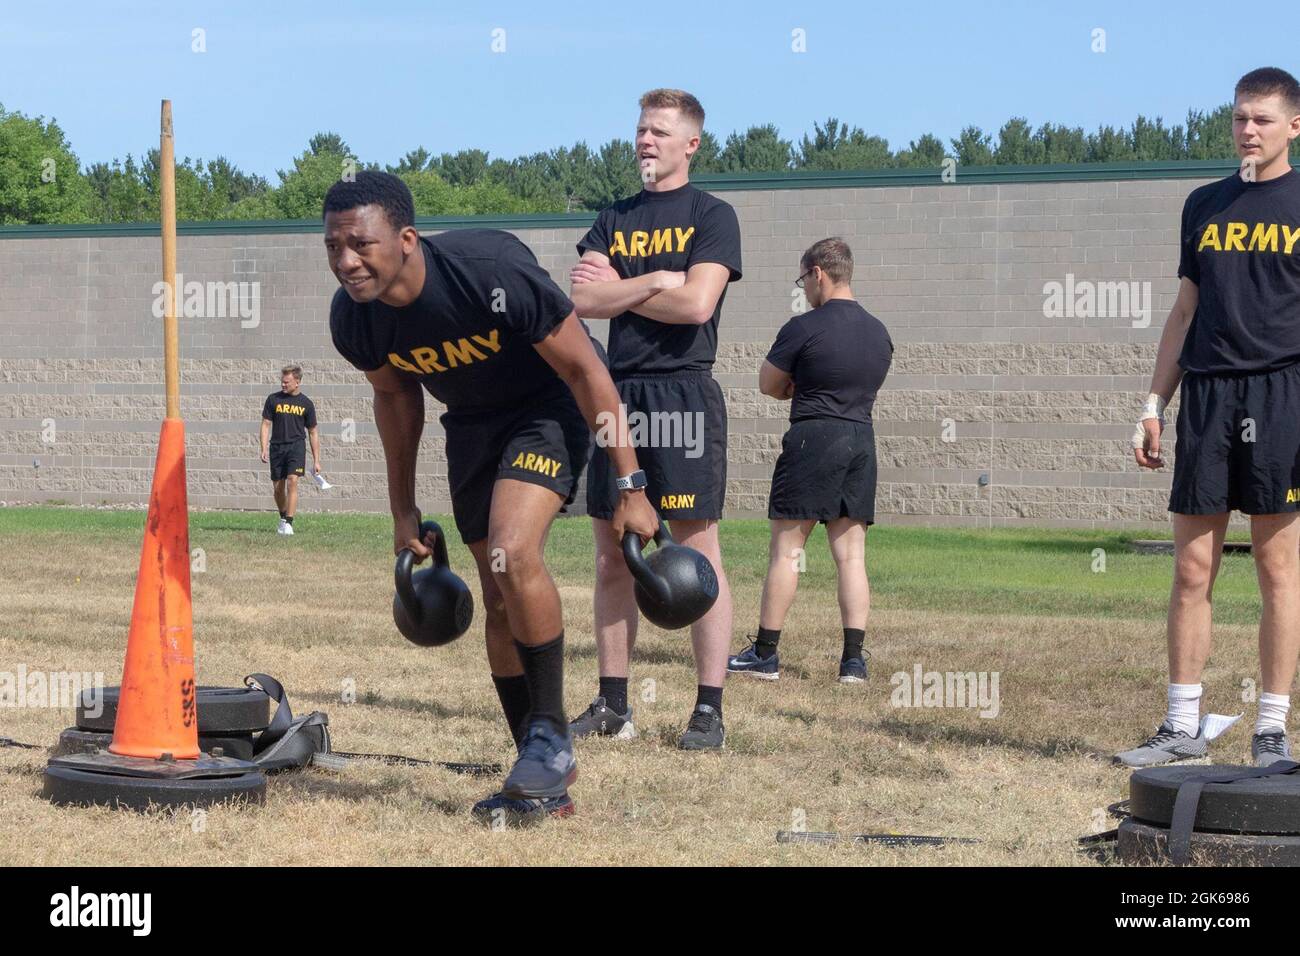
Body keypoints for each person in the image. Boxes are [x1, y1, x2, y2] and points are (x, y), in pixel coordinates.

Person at [325, 171, 657, 824]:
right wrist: (402, 511)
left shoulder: (490, 273)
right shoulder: (356, 320)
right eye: (333, 246)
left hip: (545, 408)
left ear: (407, 239)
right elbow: (396, 397)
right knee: (496, 589)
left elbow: (584, 368)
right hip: (472, 427)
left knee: (512, 548)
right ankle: (538, 775)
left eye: (360, 244)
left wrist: (631, 484)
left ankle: (550, 738)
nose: (345, 261)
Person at [1120, 67, 1300, 768]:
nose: (1247, 131)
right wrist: (1152, 404)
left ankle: (1272, 728)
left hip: (1282, 394)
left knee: (1277, 568)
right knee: (1193, 569)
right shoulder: (1204, 204)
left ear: (1293, 126)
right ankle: (1180, 725)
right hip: (1208, 397)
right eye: (1239, 119)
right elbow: (1185, 312)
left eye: (1261, 119)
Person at [567, 89, 742, 749]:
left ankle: (708, 709)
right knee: (614, 554)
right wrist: (652, 282)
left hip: (683, 395)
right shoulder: (613, 216)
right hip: (619, 395)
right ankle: (614, 706)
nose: (645, 140)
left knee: (697, 553)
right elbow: (583, 300)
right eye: (641, 129)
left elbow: (698, 304)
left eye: (660, 131)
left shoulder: (713, 215)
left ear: (691, 142)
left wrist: (628, 289)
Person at [728, 239, 892, 683]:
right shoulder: (880, 333)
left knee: (787, 550)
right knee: (852, 556)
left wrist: (793, 387)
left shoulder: (803, 327)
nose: (804, 288)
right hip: (861, 439)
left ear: (818, 273)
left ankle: (765, 654)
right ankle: (853, 661)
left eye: (804, 279)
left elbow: (767, 383)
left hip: (812, 439)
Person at [260, 364, 320, 535]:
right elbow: (265, 424)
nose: (283, 385)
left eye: (287, 382)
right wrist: (263, 447)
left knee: (293, 480)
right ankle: (283, 516)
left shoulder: (306, 404)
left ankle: (289, 523)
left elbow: (313, 432)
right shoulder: (273, 400)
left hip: (296, 448)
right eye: (282, 381)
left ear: (297, 382)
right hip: (277, 447)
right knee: (278, 487)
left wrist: (316, 460)